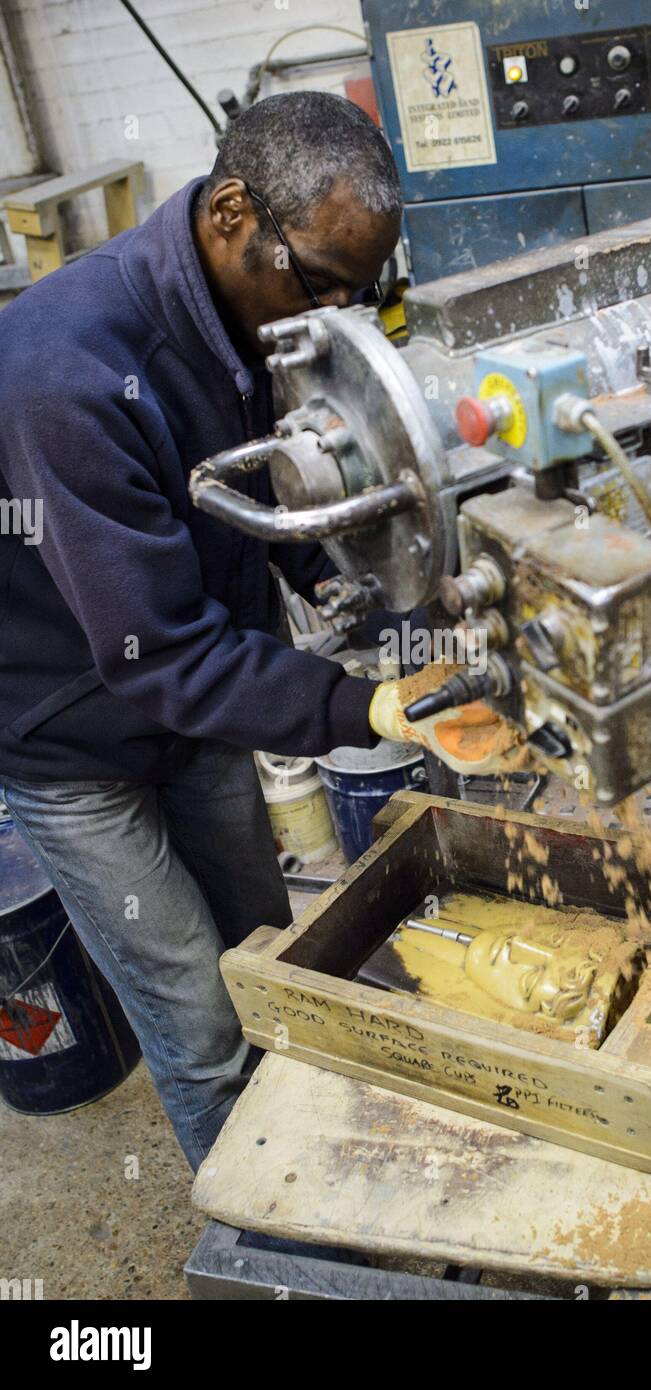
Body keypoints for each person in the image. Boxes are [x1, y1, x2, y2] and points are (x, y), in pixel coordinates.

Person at [0, 92, 517, 1170]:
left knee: (265, 956)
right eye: (321, 280)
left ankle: (308, 1168)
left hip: (191, 707)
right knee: (196, 1017)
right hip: (69, 742)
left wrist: (423, 610)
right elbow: (160, 651)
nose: (332, 314)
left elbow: (293, 512)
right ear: (233, 212)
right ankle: (267, 1249)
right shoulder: (67, 375)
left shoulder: (264, 320)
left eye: (361, 294)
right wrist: (364, 704)